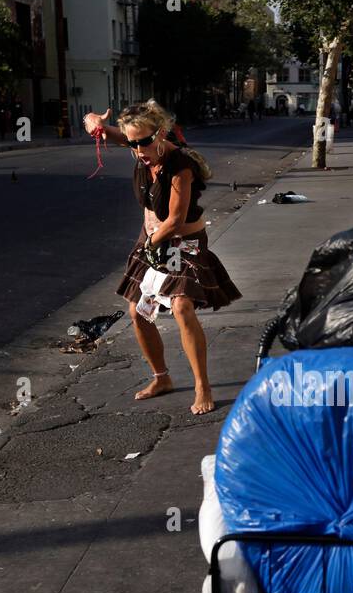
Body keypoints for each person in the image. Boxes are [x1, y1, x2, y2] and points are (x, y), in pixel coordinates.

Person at [82, 100, 241, 415]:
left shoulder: (180, 164)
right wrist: (93, 122)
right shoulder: (138, 147)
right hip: (152, 242)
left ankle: (202, 386)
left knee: (182, 307)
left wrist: (150, 242)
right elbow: (99, 128)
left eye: (145, 141)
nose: (139, 148)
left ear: (160, 133)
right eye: (134, 142)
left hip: (183, 242)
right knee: (138, 312)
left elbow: (176, 221)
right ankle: (162, 378)